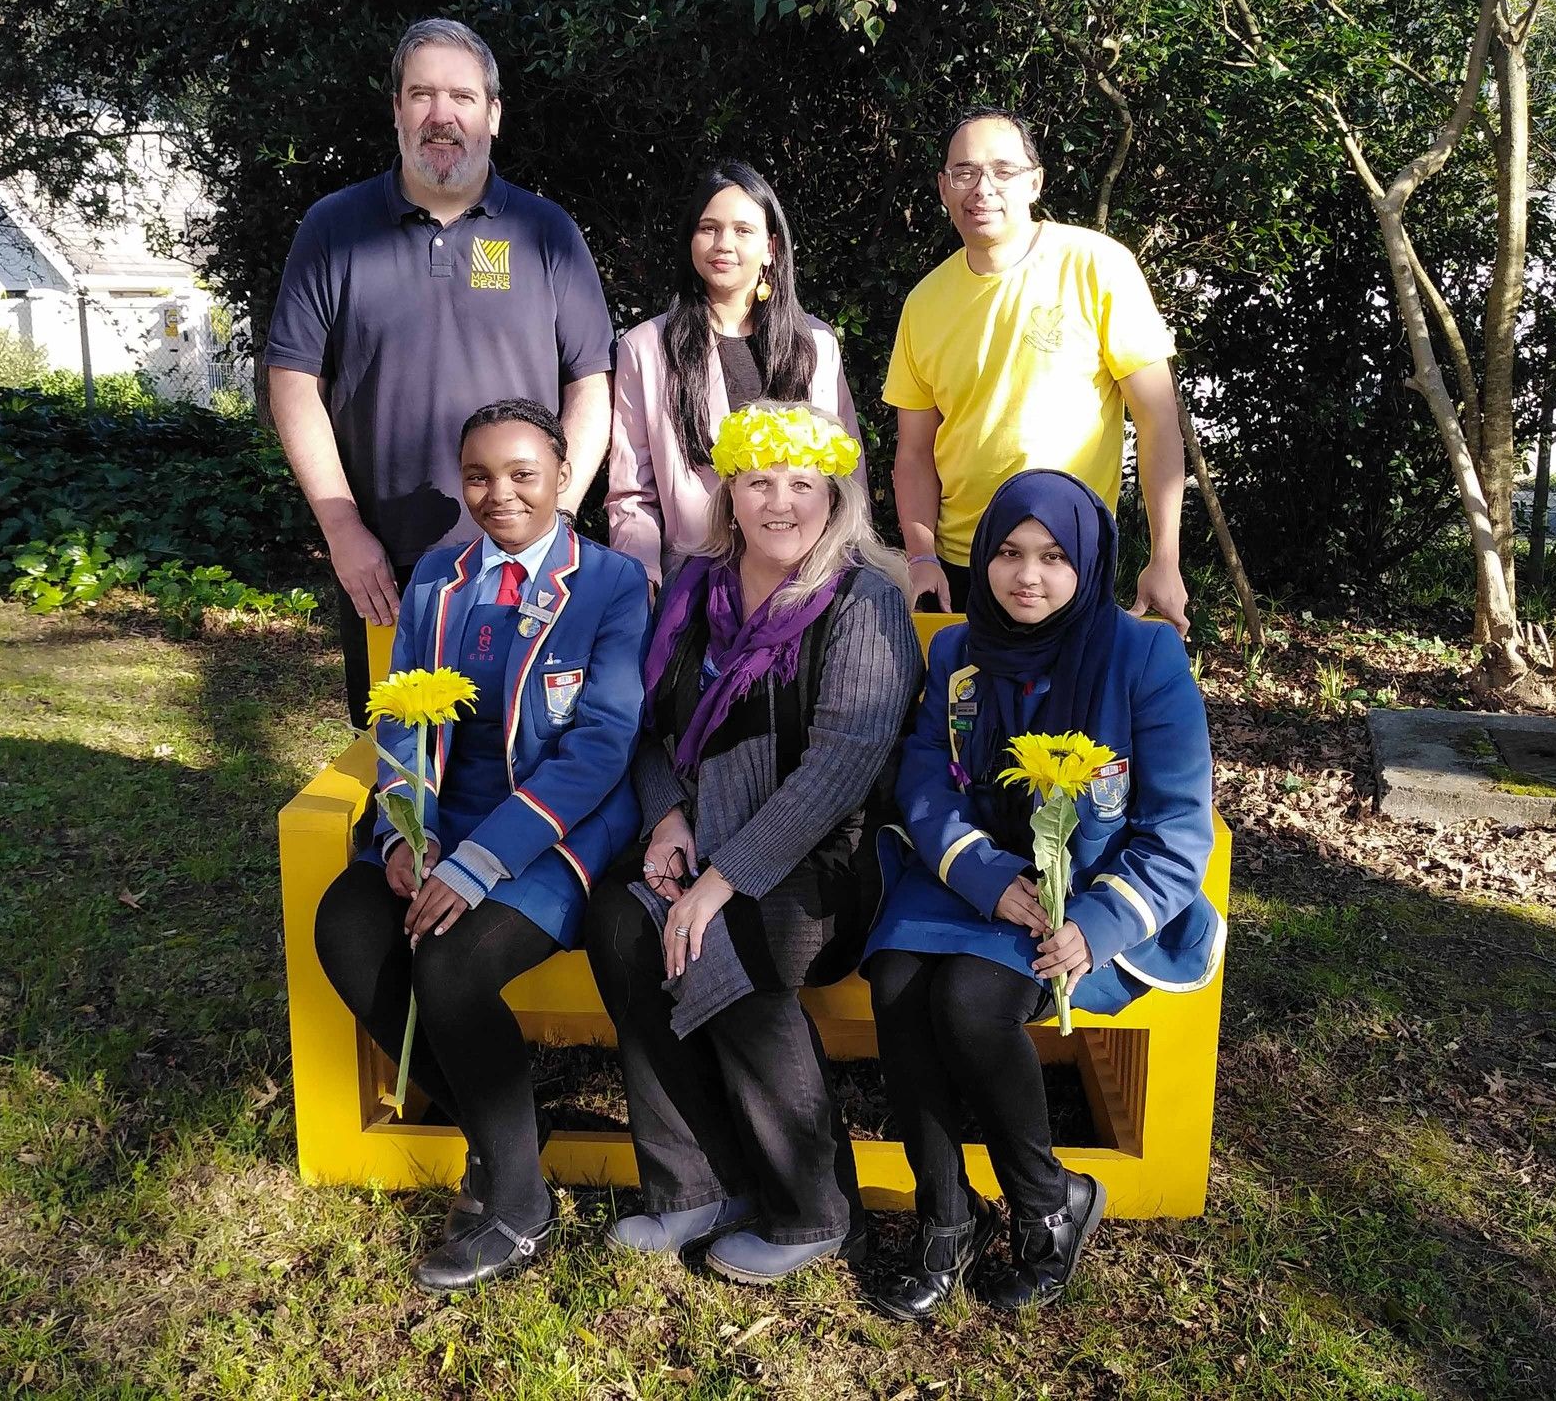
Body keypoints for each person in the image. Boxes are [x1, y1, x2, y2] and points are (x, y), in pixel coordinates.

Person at [863, 468, 1222, 1319]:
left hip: (1090, 897)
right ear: (982, 557)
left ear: (1090, 563)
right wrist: (988, 880)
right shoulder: (957, 653)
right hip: (975, 879)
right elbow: (926, 785)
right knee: (896, 984)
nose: (1028, 576)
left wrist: (1095, 925)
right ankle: (946, 1215)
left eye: (1055, 557)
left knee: (969, 1002)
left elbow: (1178, 832)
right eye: (1012, 553)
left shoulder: (1144, 657)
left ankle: (1045, 1203)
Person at [313, 399, 647, 1294]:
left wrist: (475, 863)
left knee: (451, 966)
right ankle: (504, 1125)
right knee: (347, 929)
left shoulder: (613, 583)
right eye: (478, 476)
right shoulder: (437, 575)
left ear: (562, 475)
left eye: (522, 474)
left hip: (552, 834)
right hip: (441, 830)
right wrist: (403, 833)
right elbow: (405, 716)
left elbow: (601, 746)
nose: (498, 495)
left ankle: (518, 1200)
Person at [584, 404, 921, 1283]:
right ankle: (697, 1184)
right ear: (729, 490)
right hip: (704, 829)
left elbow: (840, 768)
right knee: (621, 923)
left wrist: (722, 878)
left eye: (801, 484)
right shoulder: (697, 587)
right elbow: (651, 731)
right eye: (759, 481)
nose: (780, 504)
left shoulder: (866, 601)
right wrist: (667, 818)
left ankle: (813, 1209)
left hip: (829, 857)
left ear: (834, 493)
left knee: (725, 939)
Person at [265, 17, 616, 728]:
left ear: (493, 113)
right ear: (396, 109)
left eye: (461, 96)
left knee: (529, 745)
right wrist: (341, 530)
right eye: (421, 94)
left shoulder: (547, 231)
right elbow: (294, 382)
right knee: (403, 763)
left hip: (526, 560)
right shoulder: (334, 228)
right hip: (385, 567)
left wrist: (562, 515)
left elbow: (591, 386)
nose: (441, 114)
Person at [885, 106, 1192, 633]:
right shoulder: (924, 302)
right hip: (965, 561)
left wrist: (1165, 556)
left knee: (1072, 712)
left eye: (1003, 171)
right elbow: (913, 454)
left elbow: (1158, 420)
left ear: (1035, 182)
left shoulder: (1095, 264)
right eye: (964, 172)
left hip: (1067, 555)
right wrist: (921, 557)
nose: (983, 188)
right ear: (943, 187)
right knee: (966, 711)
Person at [607, 161, 864, 587]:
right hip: (697, 580)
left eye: (743, 230)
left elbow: (847, 477)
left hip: (807, 579)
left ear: (771, 248)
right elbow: (633, 493)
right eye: (708, 228)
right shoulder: (646, 348)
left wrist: (847, 569)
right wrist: (642, 580)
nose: (723, 244)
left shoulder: (816, 344)